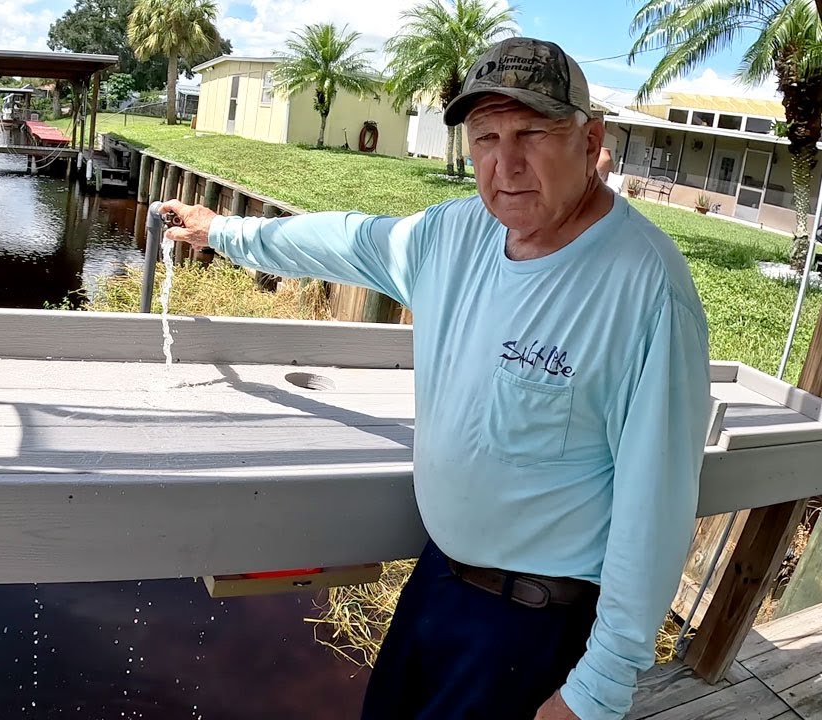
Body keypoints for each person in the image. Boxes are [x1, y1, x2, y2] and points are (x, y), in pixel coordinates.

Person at [161, 37, 710, 720]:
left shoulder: (647, 289)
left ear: (591, 139)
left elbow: (654, 508)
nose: (505, 164)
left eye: (531, 133)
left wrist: (597, 688)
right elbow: (346, 240)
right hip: (437, 582)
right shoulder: (455, 235)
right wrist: (225, 233)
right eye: (485, 138)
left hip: (533, 626)